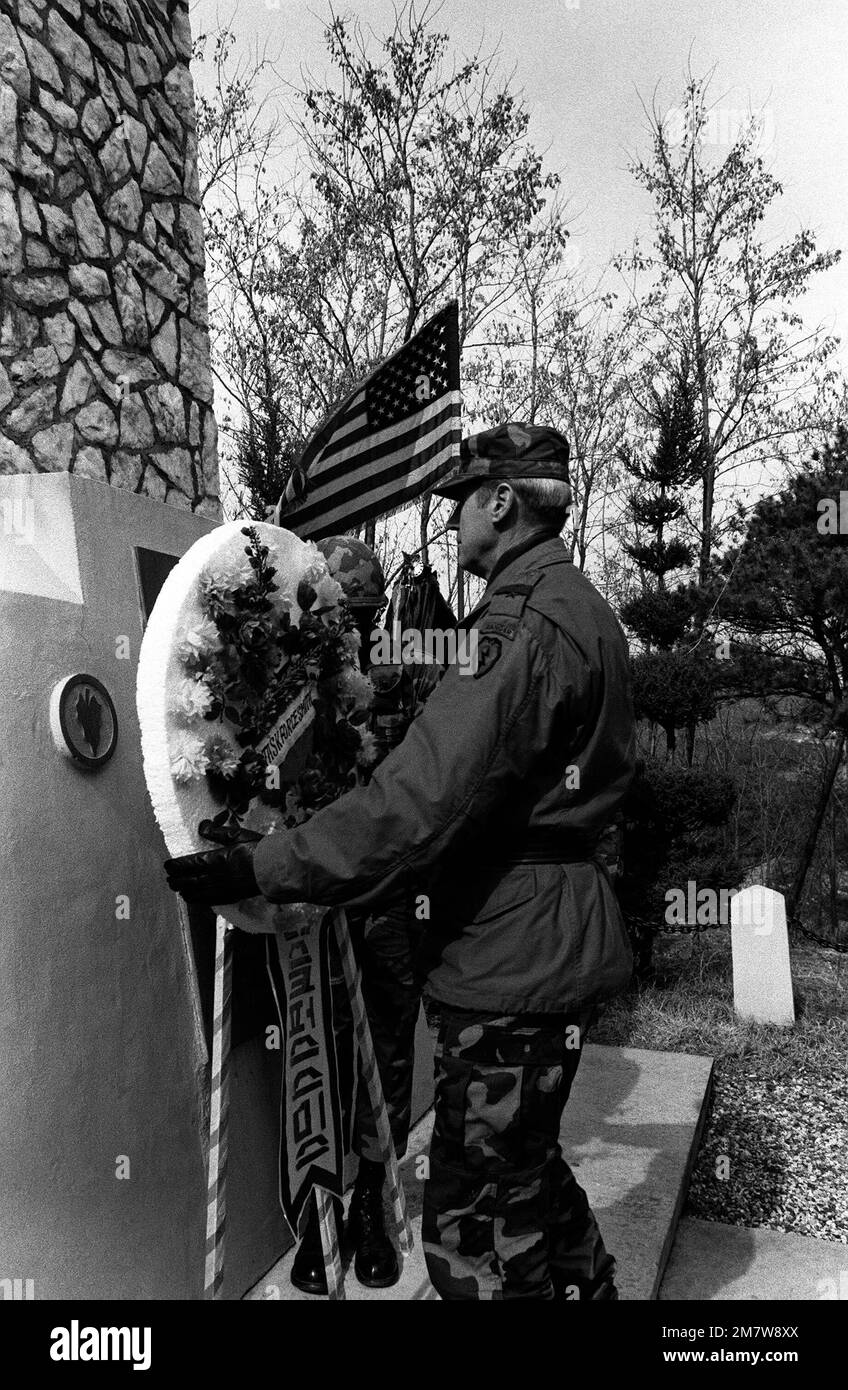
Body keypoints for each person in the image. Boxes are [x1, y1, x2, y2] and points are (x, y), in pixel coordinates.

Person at [166, 422, 637, 1300]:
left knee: (472, 1227)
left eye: (461, 502)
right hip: (549, 932)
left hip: (512, 955)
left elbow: (421, 801)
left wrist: (266, 867)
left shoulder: (521, 625)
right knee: (528, 1169)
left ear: (502, 503)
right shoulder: (583, 607)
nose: (453, 522)